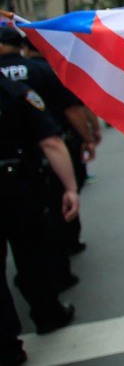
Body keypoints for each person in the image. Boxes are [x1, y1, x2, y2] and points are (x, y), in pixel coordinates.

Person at [1, 78, 78, 366]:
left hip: (17, 183)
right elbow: (50, 141)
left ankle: (6, 347)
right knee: (31, 253)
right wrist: (70, 187)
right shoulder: (13, 89)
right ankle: (47, 313)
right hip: (15, 186)